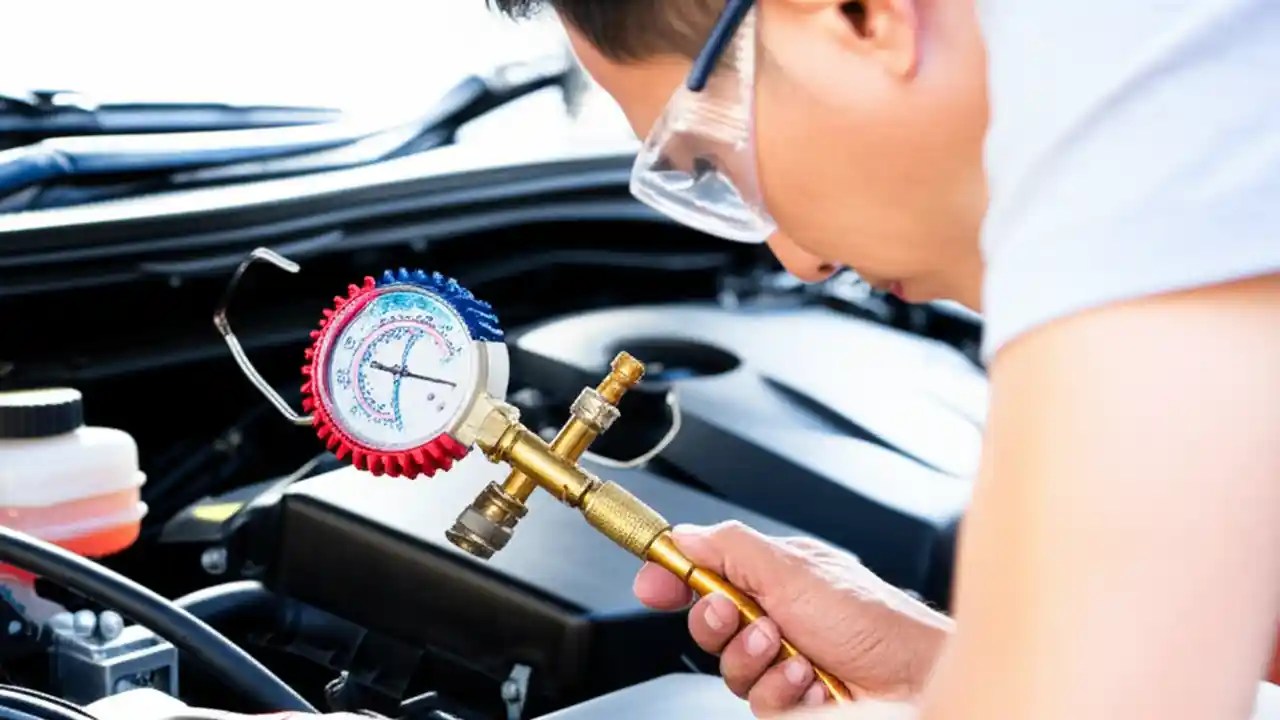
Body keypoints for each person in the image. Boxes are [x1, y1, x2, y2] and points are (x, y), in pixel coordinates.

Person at [489, 0, 1280, 718]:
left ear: (856, 13)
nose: (795, 257)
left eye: (713, 158)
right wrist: (940, 667)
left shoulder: (1156, 137)